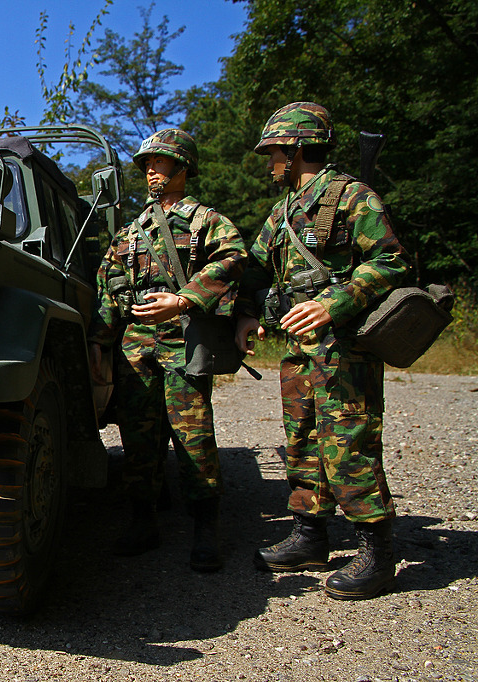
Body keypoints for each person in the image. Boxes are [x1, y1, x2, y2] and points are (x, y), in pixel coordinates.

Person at [234, 102, 411, 600]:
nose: (269, 162)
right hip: (299, 348)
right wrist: (246, 313)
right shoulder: (283, 212)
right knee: (303, 439)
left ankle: (377, 551)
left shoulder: (352, 195)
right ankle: (309, 535)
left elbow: (391, 261)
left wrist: (333, 303)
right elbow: (254, 268)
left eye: (273, 152)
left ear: (295, 150)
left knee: (349, 442)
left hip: (344, 347)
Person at [90, 128, 247, 572]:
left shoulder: (206, 221)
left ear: (183, 168)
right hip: (136, 346)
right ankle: (143, 520)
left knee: (193, 435)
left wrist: (184, 299)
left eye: (159, 163)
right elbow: (107, 284)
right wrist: (99, 340)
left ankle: (206, 526)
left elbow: (234, 258)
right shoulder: (131, 231)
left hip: (183, 339)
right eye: (147, 164)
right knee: (138, 437)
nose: (151, 172)